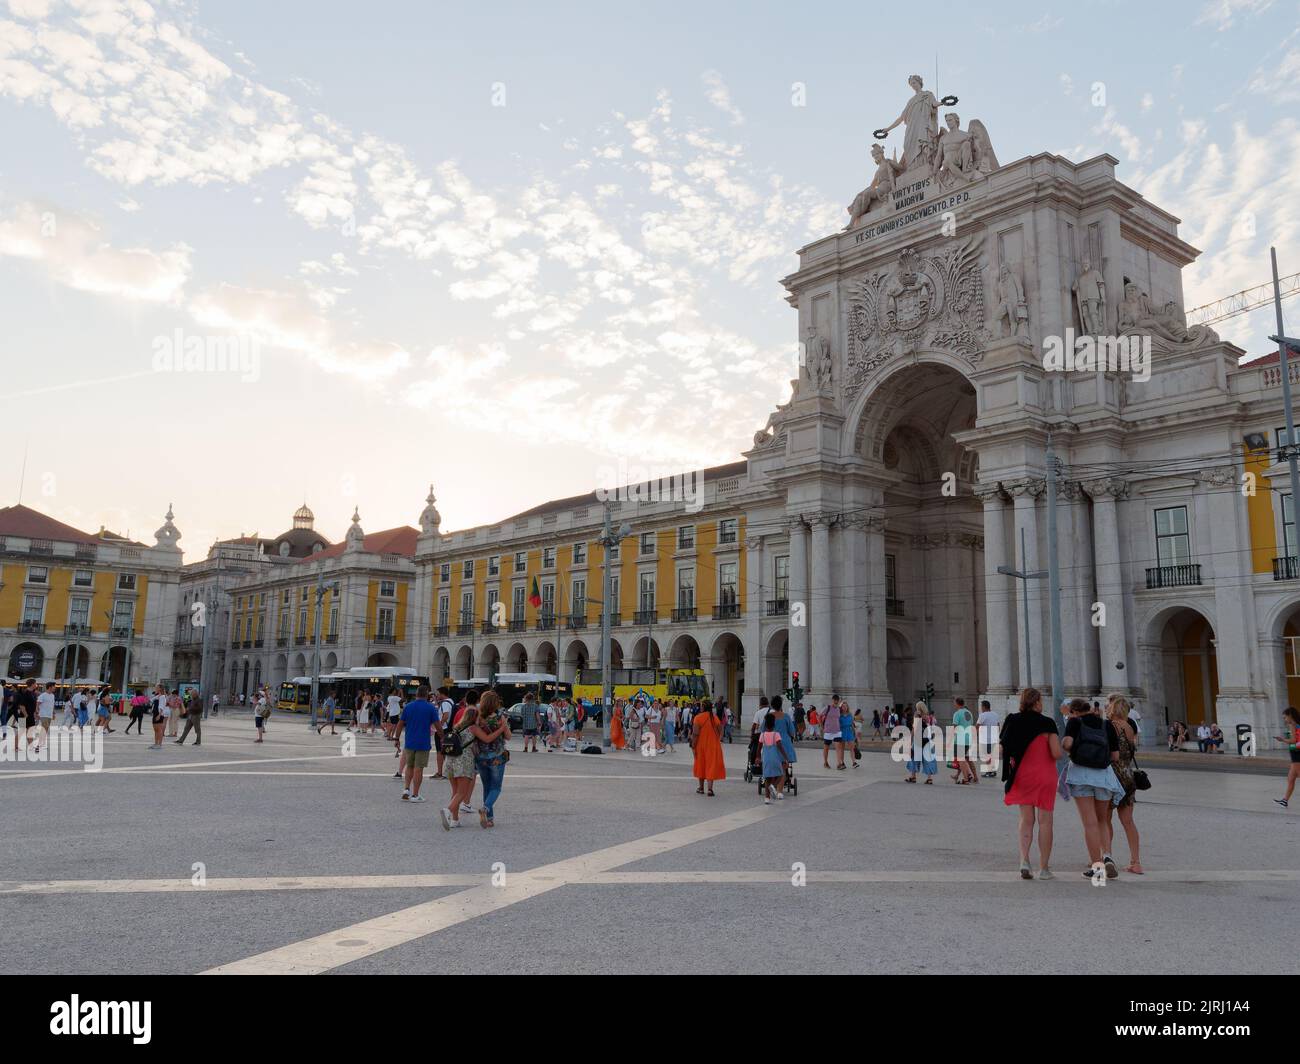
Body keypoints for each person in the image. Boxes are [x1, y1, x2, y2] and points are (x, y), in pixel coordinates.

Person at [1000, 687, 1062, 880]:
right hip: (1045, 776)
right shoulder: (1048, 723)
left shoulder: (1012, 720)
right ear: (1037, 702)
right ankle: (1044, 868)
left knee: (1026, 820)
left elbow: (1002, 749)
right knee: (1046, 822)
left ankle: (1024, 861)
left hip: (1023, 776)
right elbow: (1056, 753)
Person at [1061, 697, 1125, 879]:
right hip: (1103, 776)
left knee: (1089, 823)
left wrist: (1070, 747)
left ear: (1074, 712)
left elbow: (1067, 744)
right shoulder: (1106, 725)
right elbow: (1115, 756)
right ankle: (1108, 856)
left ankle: (1097, 868)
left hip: (1081, 775)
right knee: (1103, 820)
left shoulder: (1074, 723)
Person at [1101, 696, 1143, 874]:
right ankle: (1136, 862)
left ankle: (1107, 856)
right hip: (1128, 776)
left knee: (1105, 820)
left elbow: (1110, 753)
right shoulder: (1130, 726)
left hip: (1112, 775)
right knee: (1128, 821)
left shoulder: (1109, 726)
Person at [470, 691, 511, 828]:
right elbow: (508, 736)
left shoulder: (477, 718)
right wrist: (502, 728)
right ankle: (486, 808)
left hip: (480, 757)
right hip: (497, 757)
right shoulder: (500, 718)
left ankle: (489, 818)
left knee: (486, 787)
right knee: (496, 787)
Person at [439, 700, 479, 830]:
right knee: (462, 793)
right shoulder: (473, 729)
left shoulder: (456, 727)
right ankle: (448, 810)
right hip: (464, 762)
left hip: (450, 761)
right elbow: (483, 743)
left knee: (455, 792)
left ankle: (454, 820)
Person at [397, 685, 439, 803]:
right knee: (418, 768)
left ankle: (406, 789)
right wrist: (442, 737)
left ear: (416, 694)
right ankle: (415, 795)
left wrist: (396, 738)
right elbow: (437, 725)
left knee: (409, 766)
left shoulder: (408, 707)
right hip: (423, 742)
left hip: (409, 741)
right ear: (427, 695)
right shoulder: (431, 708)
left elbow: (400, 723)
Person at [691, 697, 726, 796]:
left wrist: (693, 744)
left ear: (703, 707)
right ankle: (710, 789)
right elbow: (720, 729)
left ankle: (701, 788)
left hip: (701, 746)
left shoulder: (698, 718)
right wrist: (718, 738)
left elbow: (695, 734)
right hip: (713, 746)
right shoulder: (714, 717)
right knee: (711, 766)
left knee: (701, 765)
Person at [1274, 706, 1300, 808]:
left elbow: (1293, 741)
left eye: (1285, 717)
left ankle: (1285, 800)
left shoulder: (1292, 725)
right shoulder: (1297, 725)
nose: (1284, 719)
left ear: (1290, 716)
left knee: (1293, 778)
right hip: (1296, 753)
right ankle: (1285, 801)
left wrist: (1282, 740)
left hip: (1296, 754)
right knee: (1291, 779)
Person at [758, 712, 785, 804]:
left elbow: (759, 747)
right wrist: (786, 757)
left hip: (766, 758)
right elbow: (780, 746)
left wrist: (757, 757)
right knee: (781, 774)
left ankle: (767, 798)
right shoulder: (776, 734)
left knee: (767, 778)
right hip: (775, 758)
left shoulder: (762, 735)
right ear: (774, 724)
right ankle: (773, 786)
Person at [772, 696, 797, 794]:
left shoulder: (769, 717)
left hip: (772, 744)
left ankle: (772, 786)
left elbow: (763, 730)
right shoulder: (786, 716)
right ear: (781, 705)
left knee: (773, 768)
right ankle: (779, 791)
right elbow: (792, 732)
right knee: (783, 768)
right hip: (785, 744)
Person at [950, 698, 977, 784]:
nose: (954, 704)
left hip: (960, 739)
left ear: (957, 703)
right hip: (968, 738)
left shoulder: (957, 713)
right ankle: (971, 776)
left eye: (955, 703)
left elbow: (955, 727)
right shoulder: (969, 713)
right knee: (965, 758)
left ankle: (966, 779)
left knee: (961, 759)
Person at [976, 699, 1000, 777]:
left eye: (981, 706)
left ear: (984, 707)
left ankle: (989, 772)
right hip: (994, 738)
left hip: (985, 739)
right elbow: (998, 726)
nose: (981, 708)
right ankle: (993, 771)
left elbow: (977, 726)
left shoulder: (982, 715)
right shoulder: (995, 714)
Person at [149, 685, 168, 749]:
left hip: (159, 714)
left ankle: (159, 744)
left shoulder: (162, 697)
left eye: (156, 688)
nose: (155, 689)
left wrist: (159, 715)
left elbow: (162, 706)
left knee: (159, 729)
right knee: (155, 729)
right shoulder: (158, 696)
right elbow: (151, 700)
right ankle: (156, 743)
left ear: (160, 689)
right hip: (154, 713)